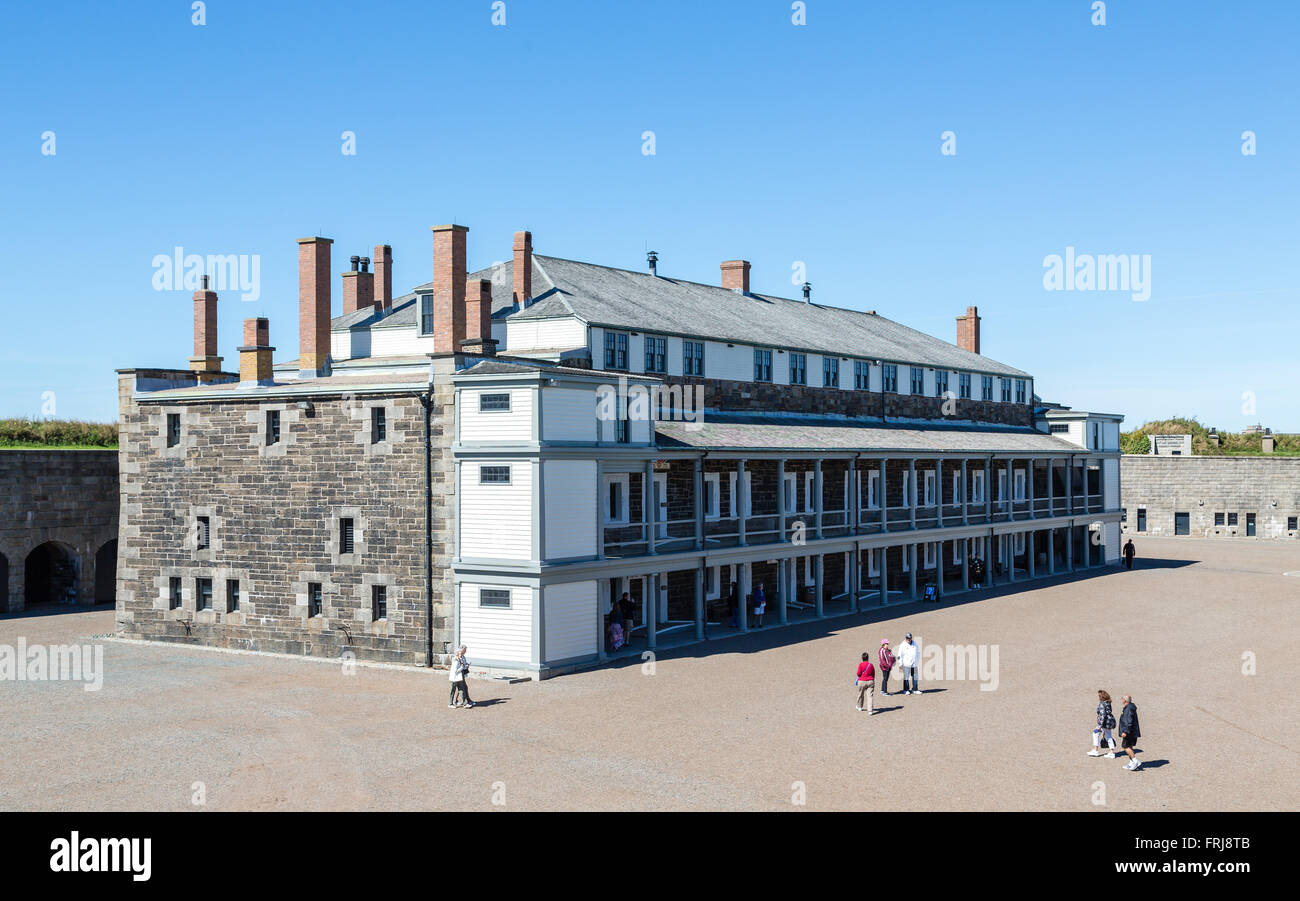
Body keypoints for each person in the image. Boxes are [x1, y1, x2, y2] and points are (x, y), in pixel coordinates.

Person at [1088, 689, 1117, 758]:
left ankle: (1095, 750)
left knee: (1095, 733)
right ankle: (1112, 752)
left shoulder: (1102, 704)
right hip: (1109, 722)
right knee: (1108, 736)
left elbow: (1102, 715)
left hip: (1104, 723)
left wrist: (1100, 726)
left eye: (1099, 696)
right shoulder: (1108, 703)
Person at [1118, 695, 1142, 770]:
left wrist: (1125, 731)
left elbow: (1129, 721)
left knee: (1125, 747)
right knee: (1130, 747)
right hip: (1132, 731)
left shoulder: (1128, 709)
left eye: (1122, 699)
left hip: (1129, 732)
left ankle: (1135, 761)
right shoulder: (1130, 707)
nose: (1121, 700)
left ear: (1125, 700)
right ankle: (1132, 763)